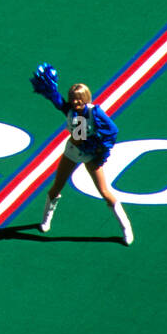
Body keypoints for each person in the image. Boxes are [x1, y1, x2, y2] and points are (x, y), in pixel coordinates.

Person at [30, 63, 132, 245]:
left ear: (86, 98)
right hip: (72, 151)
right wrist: (49, 89)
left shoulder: (95, 112)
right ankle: (46, 221)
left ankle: (126, 228)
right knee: (56, 187)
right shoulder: (69, 110)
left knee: (104, 191)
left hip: (90, 154)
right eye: (72, 99)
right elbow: (56, 100)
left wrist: (100, 148)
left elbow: (113, 130)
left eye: (79, 99)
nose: (75, 102)